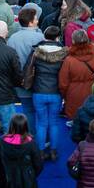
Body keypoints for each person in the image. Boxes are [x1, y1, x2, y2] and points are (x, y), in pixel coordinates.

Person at [29, 27, 66, 161]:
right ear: (57, 38)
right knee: (54, 122)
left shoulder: (36, 52)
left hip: (39, 91)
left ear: (45, 36)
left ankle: (41, 151)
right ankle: (54, 151)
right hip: (55, 92)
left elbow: (28, 69)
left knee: (41, 123)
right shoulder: (63, 53)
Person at [59, 29, 94, 120]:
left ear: (73, 41)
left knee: (76, 125)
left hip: (73, 96)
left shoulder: (69, 60)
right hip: (92, 94)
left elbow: (63, 83)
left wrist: (65, 96)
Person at [0, 113, 44, 188]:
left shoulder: (2, 141)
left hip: (8, 179)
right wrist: (31, 174)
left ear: (11, 125)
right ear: (26, 126)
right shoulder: (31, 143)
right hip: (27, 179)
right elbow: (38, 164)